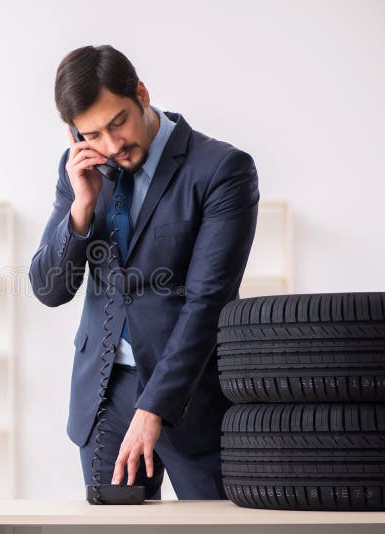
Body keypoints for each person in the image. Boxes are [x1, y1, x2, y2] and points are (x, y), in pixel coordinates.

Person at [28, 44, 260, 500]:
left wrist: (153, 407)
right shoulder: (82, 169)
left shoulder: (221, 169)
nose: (112, 146)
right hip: (105, 396)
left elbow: (207, 302)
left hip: (193, 395)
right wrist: (81, 208)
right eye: (92, 134)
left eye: (119, 122)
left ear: (141, 93)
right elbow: (49, 289)